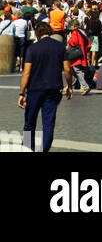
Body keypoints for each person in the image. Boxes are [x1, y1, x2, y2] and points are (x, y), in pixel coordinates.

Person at [18, 20, 73, 152]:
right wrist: (69, 86)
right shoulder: (60, 47)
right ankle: (44, 150)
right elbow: (67, 69)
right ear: (50, 32)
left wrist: (21, 92)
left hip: (35, 90)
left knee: (29, 122)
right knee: (48, 123)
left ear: (37, 34)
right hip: (54, 89)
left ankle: (27, 148)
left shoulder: (32, 49)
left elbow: (26, 72)